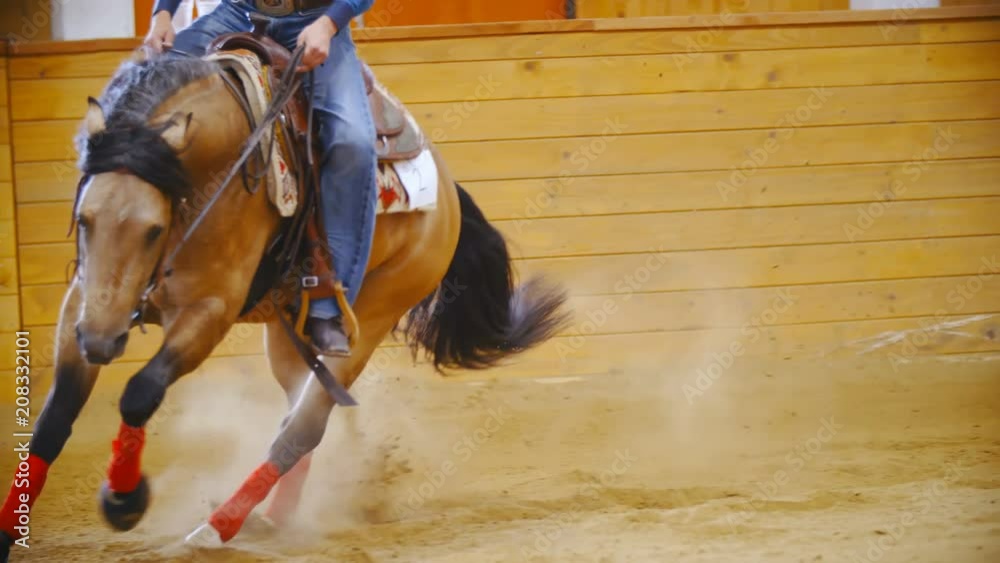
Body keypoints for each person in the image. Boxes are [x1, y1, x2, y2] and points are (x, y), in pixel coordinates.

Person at [145, 0, 377, 356]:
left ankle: (327, 305)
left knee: (353, 143)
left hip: (316, 19)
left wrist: (331, 24)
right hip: (238, 11)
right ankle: (135, 258)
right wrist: (162, 13)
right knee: (150, 90)